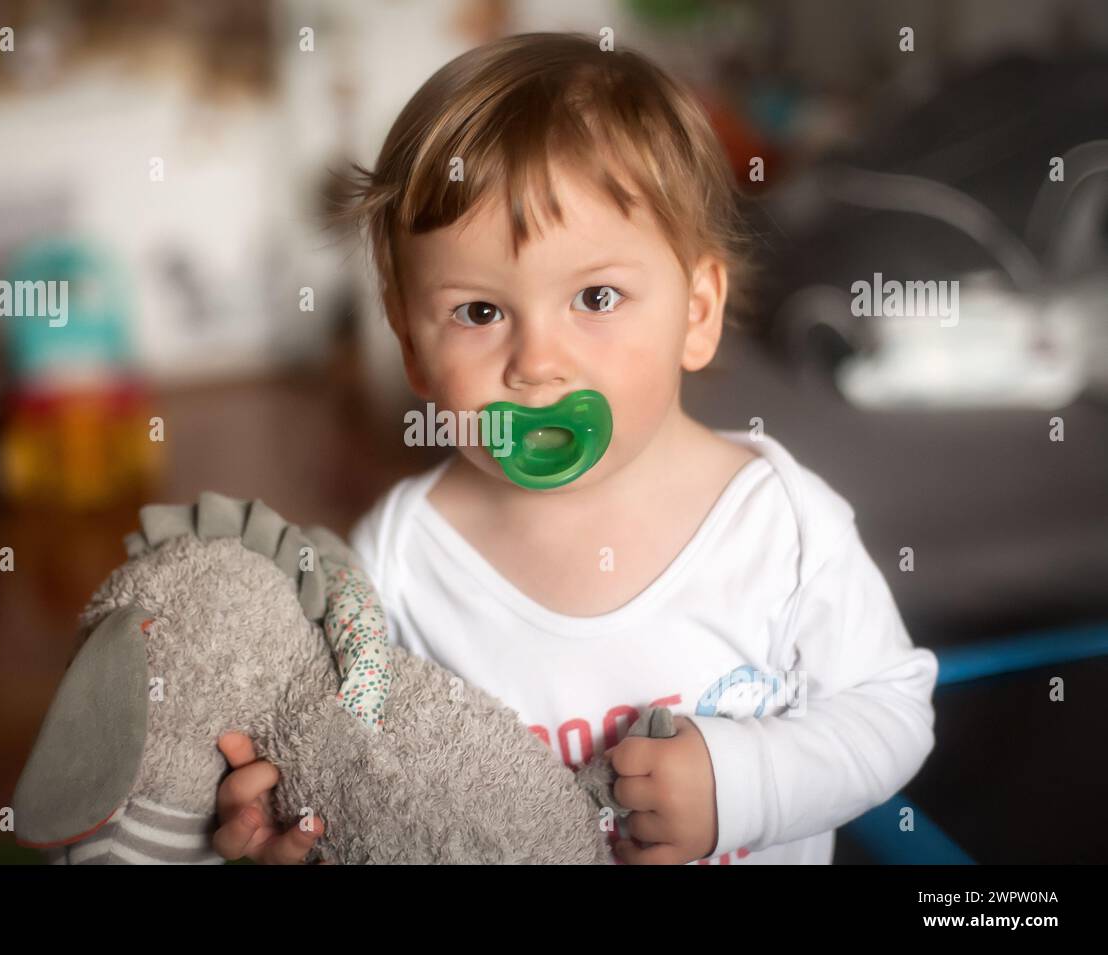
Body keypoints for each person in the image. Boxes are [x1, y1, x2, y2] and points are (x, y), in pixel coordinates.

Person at [213, 31, 938, 865]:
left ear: (696, 313)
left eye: (596, 296)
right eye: (479, 312)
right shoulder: (402, 559)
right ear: (412, 348)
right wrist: (296, 820)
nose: (536, 362)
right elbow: (359, 764)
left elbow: (892, 709)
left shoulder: (779, 522)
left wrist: (744, 784)